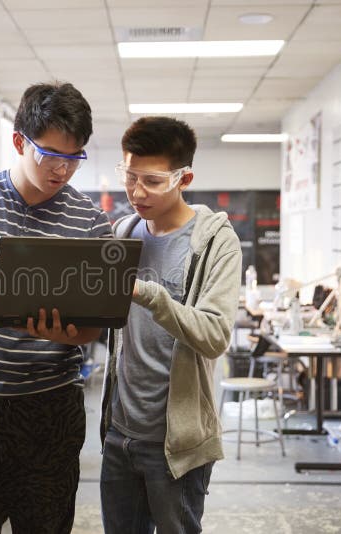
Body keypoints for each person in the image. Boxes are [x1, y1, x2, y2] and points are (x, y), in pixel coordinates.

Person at [0, 81, 112, 533]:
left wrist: (55, 326)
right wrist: (48, 287)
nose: (62, 170)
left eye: (74, 158)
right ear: (18, 142)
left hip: (50, 406)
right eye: (50, 155)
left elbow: (92, 327)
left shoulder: (91, 220)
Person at [100, 116, 242, 534]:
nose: (137, 191)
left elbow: (215, 335)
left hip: (175, 443)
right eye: (129, 177)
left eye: (152, 180)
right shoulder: (123, 232)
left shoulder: (215, 241)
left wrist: (151, 296)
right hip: (120, 434)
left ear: (184, 178)